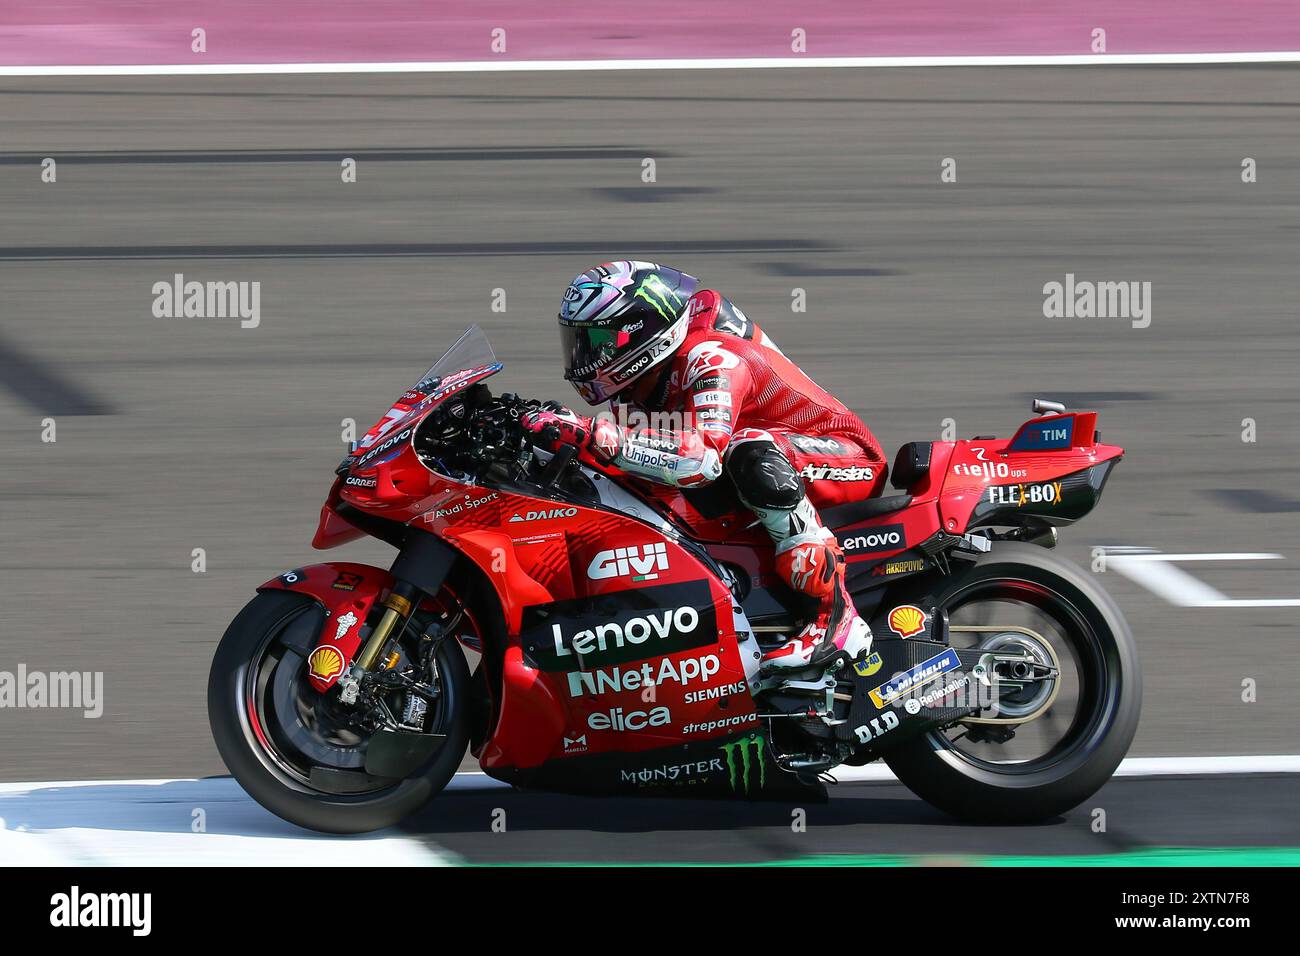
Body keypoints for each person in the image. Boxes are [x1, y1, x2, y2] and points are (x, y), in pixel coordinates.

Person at [522, 260, 886, 673]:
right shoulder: (637, 384)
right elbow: (647, 456)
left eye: (599, 342)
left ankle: (835, 619)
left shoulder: (712, 358)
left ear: (640, 332)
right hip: (772, 461)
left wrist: (591, 434)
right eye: (578, 342)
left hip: (844, 456)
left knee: (751, 452)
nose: (585, 357)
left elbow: (701, 458)